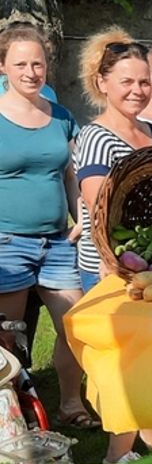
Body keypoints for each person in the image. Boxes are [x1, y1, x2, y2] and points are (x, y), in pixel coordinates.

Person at [72, 29, 152, 462]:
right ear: (103, 83)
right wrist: (113, 263)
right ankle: (117, 453)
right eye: (127, 81)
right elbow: (100, 208)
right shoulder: (96, 136)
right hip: (114, 266)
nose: (138, 90)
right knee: (125, 361)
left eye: (144, 81)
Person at [0, 24, 91, 429]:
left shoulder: (61, 117)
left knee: (76, 325)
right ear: (3, 66)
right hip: (7, 244)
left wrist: (80, 219)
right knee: (8, 337)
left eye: (37, 64)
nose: (31, 72)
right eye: (20, 64)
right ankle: (12, 419)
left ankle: (71, 405)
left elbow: (70, 174)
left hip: (56, 244)